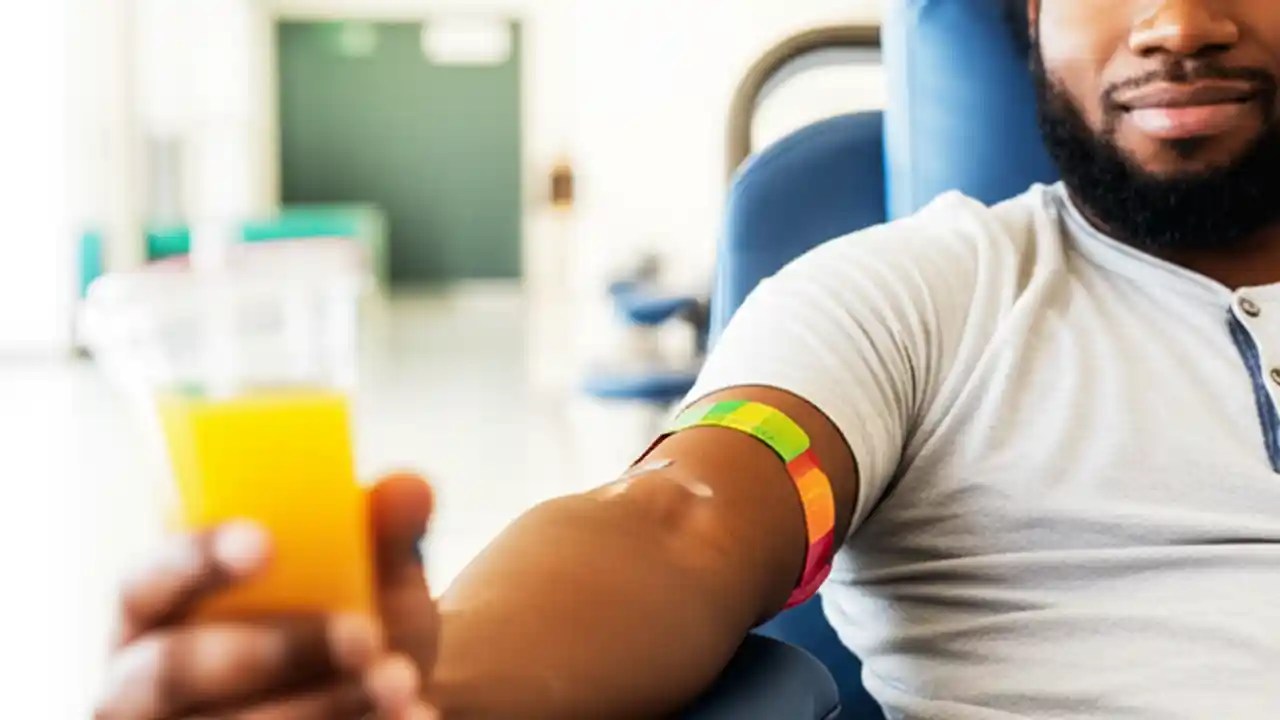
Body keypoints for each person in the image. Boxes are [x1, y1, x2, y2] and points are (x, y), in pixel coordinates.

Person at [96, 0, 1280, 717]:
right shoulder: (920, 295)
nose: (1175, 22)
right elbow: (680, 520)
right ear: (1028, 17)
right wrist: (429, 688)